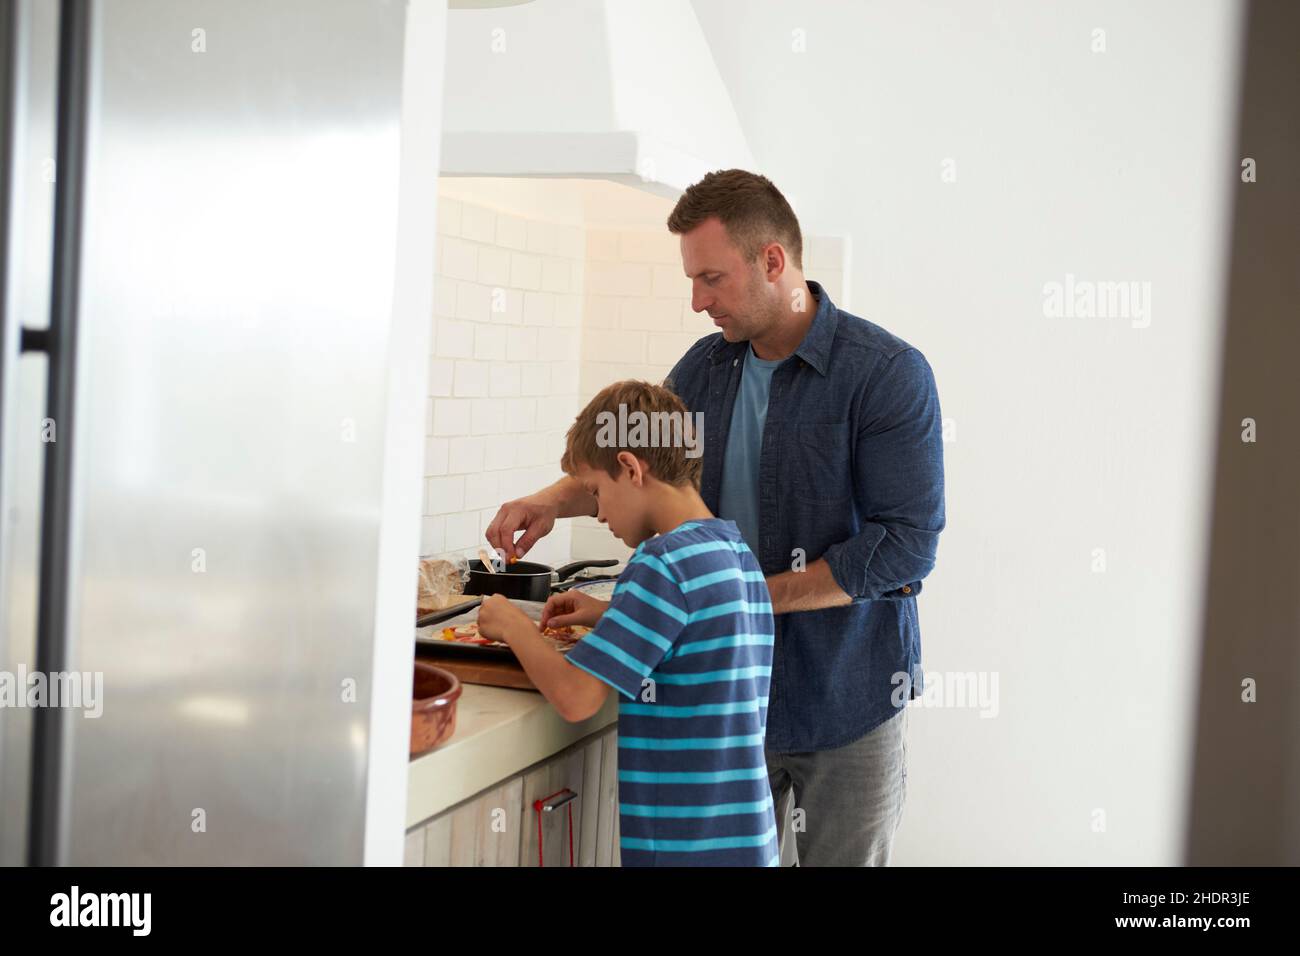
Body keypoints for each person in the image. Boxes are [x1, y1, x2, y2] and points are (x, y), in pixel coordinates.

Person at [485, 169, 945, 866]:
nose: (698, 302)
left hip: (847, 700)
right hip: (730, 706)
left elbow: (906, 549)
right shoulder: (704, 371)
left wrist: (734, 600)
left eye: (711, 279)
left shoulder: (886, 375)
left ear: (772, 262)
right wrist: (551, 500)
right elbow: (635, 465)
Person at [476, 379, 779, 866]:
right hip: (744, 841)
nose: (598, 514)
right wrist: (609, 614)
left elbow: (577, 697)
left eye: (596, 493)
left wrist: (511, 624)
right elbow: (698, 632)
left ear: (630, 468)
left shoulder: (661, 562)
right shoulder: (730, 550)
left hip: (685, 849)